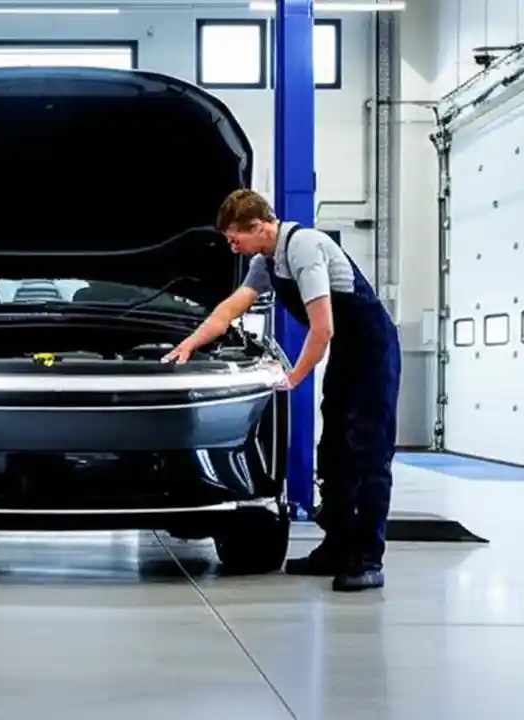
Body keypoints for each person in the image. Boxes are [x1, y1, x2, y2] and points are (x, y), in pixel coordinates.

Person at [162, 189, 400, 592]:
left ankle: (367, 558)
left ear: (258, 226)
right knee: (334, 452)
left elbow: (322, 327)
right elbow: (228, 309)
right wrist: (189, 344)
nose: (230, 246)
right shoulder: (265, 261)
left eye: (234, 237)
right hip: (346, 349)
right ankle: (337, 547)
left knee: (368, 451)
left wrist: (294, 377)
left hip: (373, 348)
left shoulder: (303, 247)